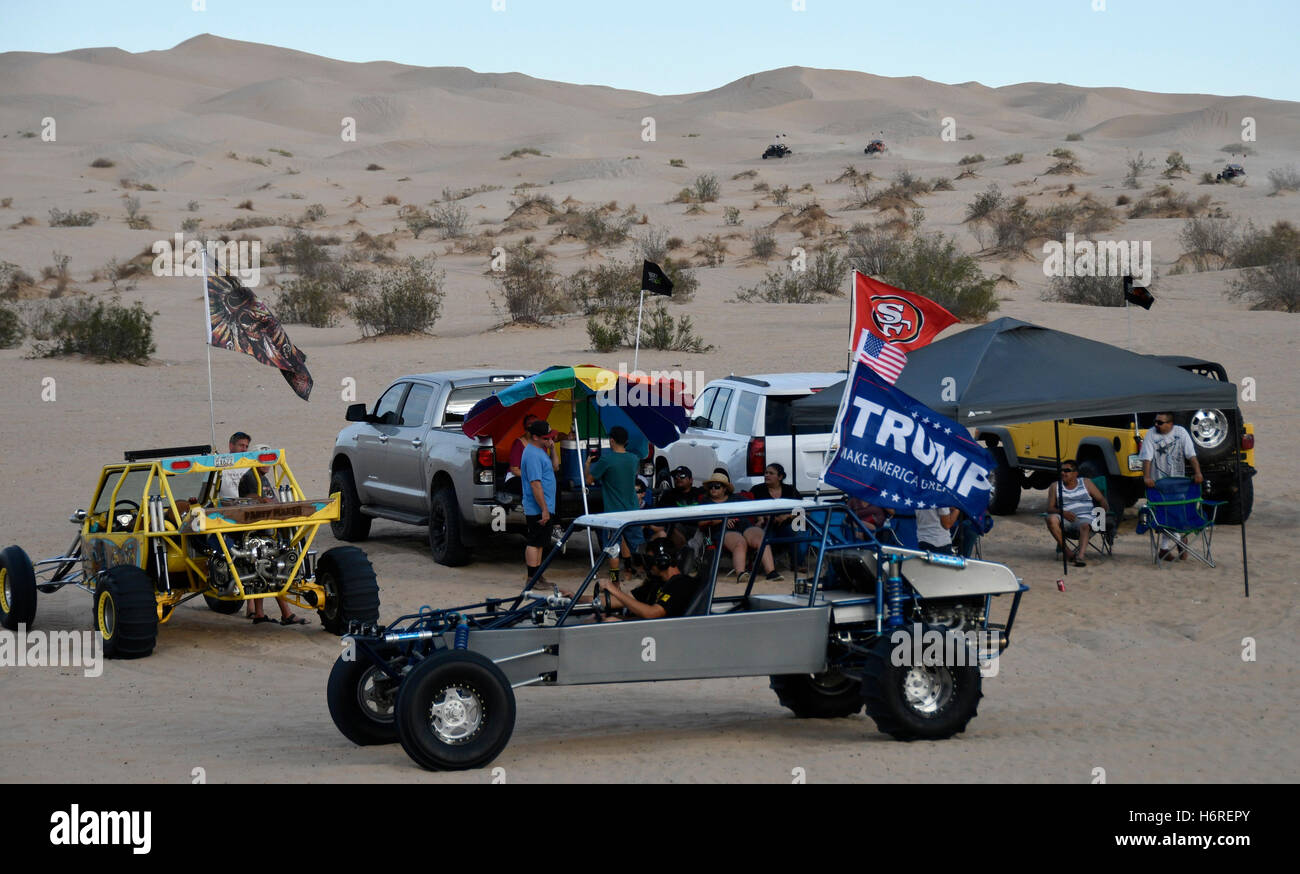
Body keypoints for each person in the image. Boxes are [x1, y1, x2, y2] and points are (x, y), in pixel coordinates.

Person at [236, 444, 308, 625]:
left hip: (261, 531)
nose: (267, 463)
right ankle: (286, 613)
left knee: (262, 572)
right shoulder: (252, 477)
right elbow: (257, 500)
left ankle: (260, 613)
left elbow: (267, 499)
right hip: (259, 532)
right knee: (273, 571)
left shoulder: (259, 476)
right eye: (263, 458)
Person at [1140, 412, 1204, 560]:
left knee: (1177, 512)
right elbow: (1146, 458)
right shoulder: (1151, 434)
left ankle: (1166, 548)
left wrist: (1198, 472)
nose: (1156, 424)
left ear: (1170, 424)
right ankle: (1179, 542)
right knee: (1164, 513)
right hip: (1159, 482)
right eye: (1156, 421)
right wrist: (1147, 477)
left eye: (1160, 422)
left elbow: (1191, 455)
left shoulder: (1180, 432)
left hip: (1178, 481)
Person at [593, 539, 701, 621]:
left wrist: (614, 590)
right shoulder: (656, 582)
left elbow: (652, 614)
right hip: (648, 631)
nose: (646, 566)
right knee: (598, 618)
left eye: (650, 561)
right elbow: (620, 601)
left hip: (664, 636)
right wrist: (578, 599)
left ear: (663, 561)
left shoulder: (681, 585)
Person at [584, 426, 640, 582]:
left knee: (613, 547)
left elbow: (589, 480)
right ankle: (628, 571)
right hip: (632, 508)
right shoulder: (633, 459)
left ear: (612, 440)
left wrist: (588, 465)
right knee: (627, 541)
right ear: (626, 441)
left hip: (613, 511)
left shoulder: (607, 459)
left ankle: (615, 580)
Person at [1045, 460, 1108, 567]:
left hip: (1085, 519)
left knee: (1085, 525)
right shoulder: (1055, 486)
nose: (1063, 473)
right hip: (1065, 520)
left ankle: (1080, 556)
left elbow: (1102, 500)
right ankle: (1068, 553)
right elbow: (1050, 508)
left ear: (1075, 473)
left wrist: (1101, 515)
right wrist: (1063, 513)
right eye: (1061, 470)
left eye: (1067, 470)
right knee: (1050, 519)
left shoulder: (1086, 483)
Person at [696, 471, 757, 583]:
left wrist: (761, 518)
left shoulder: (736, 498)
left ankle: (772, 572)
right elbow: (700, 523)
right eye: (711, 486)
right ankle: (741, 573)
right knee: (740, 542)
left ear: (725, 488)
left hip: (744, 526)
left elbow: (755, 506)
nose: (713, 489)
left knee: (761, 537)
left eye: (717, 486)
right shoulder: (705, 502)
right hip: (722, 530)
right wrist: (721, 519)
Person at [742, 463, 797, 581]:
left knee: (796, 531)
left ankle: (797, 564)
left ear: (780, 477)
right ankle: (767, 566)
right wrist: (761, 516)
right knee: (766, 535)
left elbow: (803, 510)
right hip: (766, 525)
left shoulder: (790, 490)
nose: (766, 475)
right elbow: (748, 508)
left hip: (786, 524)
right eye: (765, 473)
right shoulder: (757, 490)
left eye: (771, 473)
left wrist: (786, 516)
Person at [521, 419, 558, 587]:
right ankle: (531, 577)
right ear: (535, 437)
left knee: (542, 542)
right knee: (535, 541)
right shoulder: (533, 455)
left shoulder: (540, 450)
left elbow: (555, 467)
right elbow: (535, 484)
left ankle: (537, 574)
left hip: (546, 504)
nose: (548, 440)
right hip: (538, 506)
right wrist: (543, 509)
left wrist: (552, 448)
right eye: (546, 438)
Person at [651, 465, 705, 549]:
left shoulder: (700, 493)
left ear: (691, 480)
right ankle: (681, 555)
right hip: (678, 529)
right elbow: (660, 516)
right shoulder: (668, 495)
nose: (678, 478)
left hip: (699, 528)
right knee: (673, 527)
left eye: (682, 476)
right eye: (675, 476)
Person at [217, 431, 251, 502]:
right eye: (241, 445)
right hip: (226, 506)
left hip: (248, 505)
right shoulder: (219, 465)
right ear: (231, 446)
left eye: (246, 446)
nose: (244, 449)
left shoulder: (251, 466)